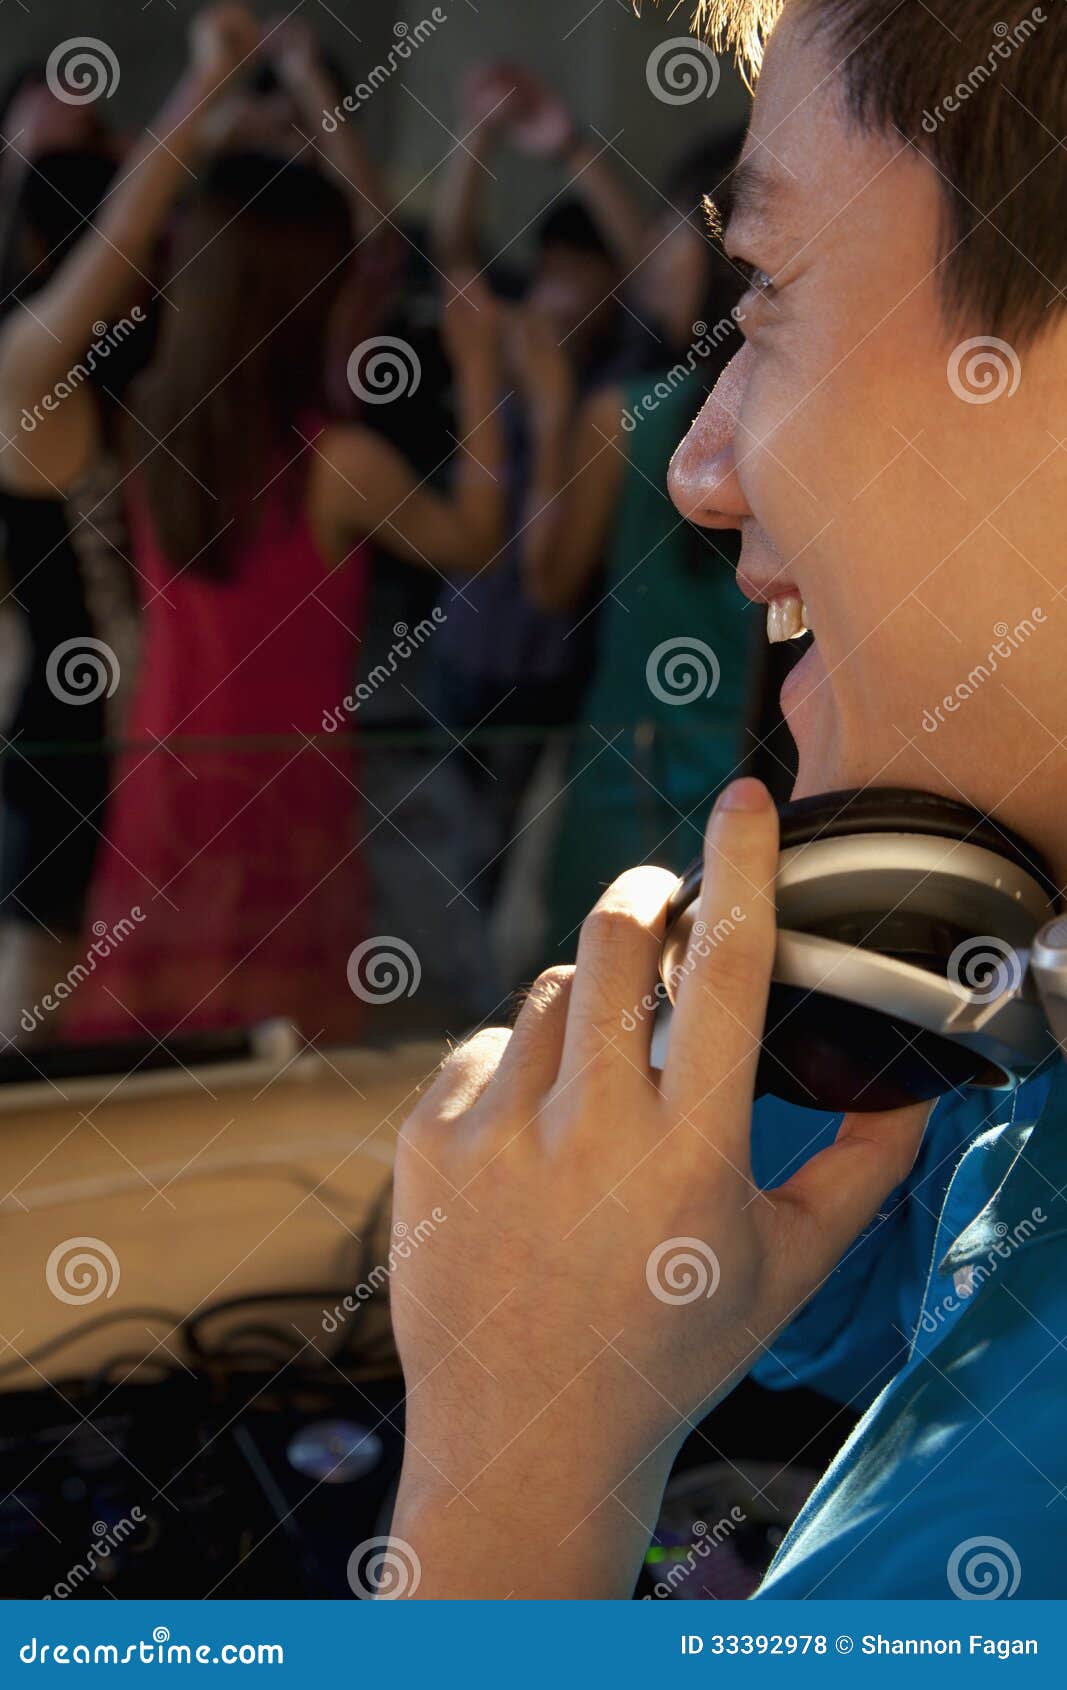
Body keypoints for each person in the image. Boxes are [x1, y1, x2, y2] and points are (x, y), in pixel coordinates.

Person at [380, 0, 1067, 1597]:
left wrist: (514, 1459)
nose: (699, 470)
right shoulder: (1012, 1093)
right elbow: (829, 1256)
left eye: (761, 292)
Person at [0, 4, 504, 1042]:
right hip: (238, 821)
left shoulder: (140, 431)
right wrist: (488, 375)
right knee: (258, 1097)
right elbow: (473, 537)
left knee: (130, 1099)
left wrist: (216, 92)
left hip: (152, 813)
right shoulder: (312, 458)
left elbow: (347, 252)